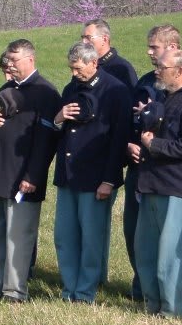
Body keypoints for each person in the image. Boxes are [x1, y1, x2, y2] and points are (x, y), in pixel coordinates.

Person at [123, 24, 182, 301]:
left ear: (179, 71)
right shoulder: (164, 99)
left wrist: (152, 145)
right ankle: (151, 303)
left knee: (171, 255)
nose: (156, 71)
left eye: (162, 68)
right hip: (150, 183)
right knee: (144, 249)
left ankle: (173, 309)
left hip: (178, 186)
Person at [0, 40, 61, 302]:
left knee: (18, 237)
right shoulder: (5, 88)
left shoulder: (46, 93)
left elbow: (47, 141)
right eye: (9, 60)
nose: (10, 65)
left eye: (15, 60)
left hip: (22, 177)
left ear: (31, 60)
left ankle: (14, 291)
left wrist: (32, 176)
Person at [52, 42, 131, 303]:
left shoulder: (115, 91)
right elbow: (59, 130)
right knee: (64, 236)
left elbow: (119, 138)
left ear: (93, 63)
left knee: (91, 238)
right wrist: (58, 117)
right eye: (71, 69)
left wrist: (109, 179)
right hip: (68, 175)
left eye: (78, 69)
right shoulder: (70, 88)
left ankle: (85, 291)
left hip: (95, 177)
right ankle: (69, 288)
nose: (74, 74)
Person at [81, 19, 138, 89]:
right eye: (83, 38)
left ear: (104, 39)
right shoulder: (83, 66)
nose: (83, 42)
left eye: (88, 37)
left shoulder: (122, 68)